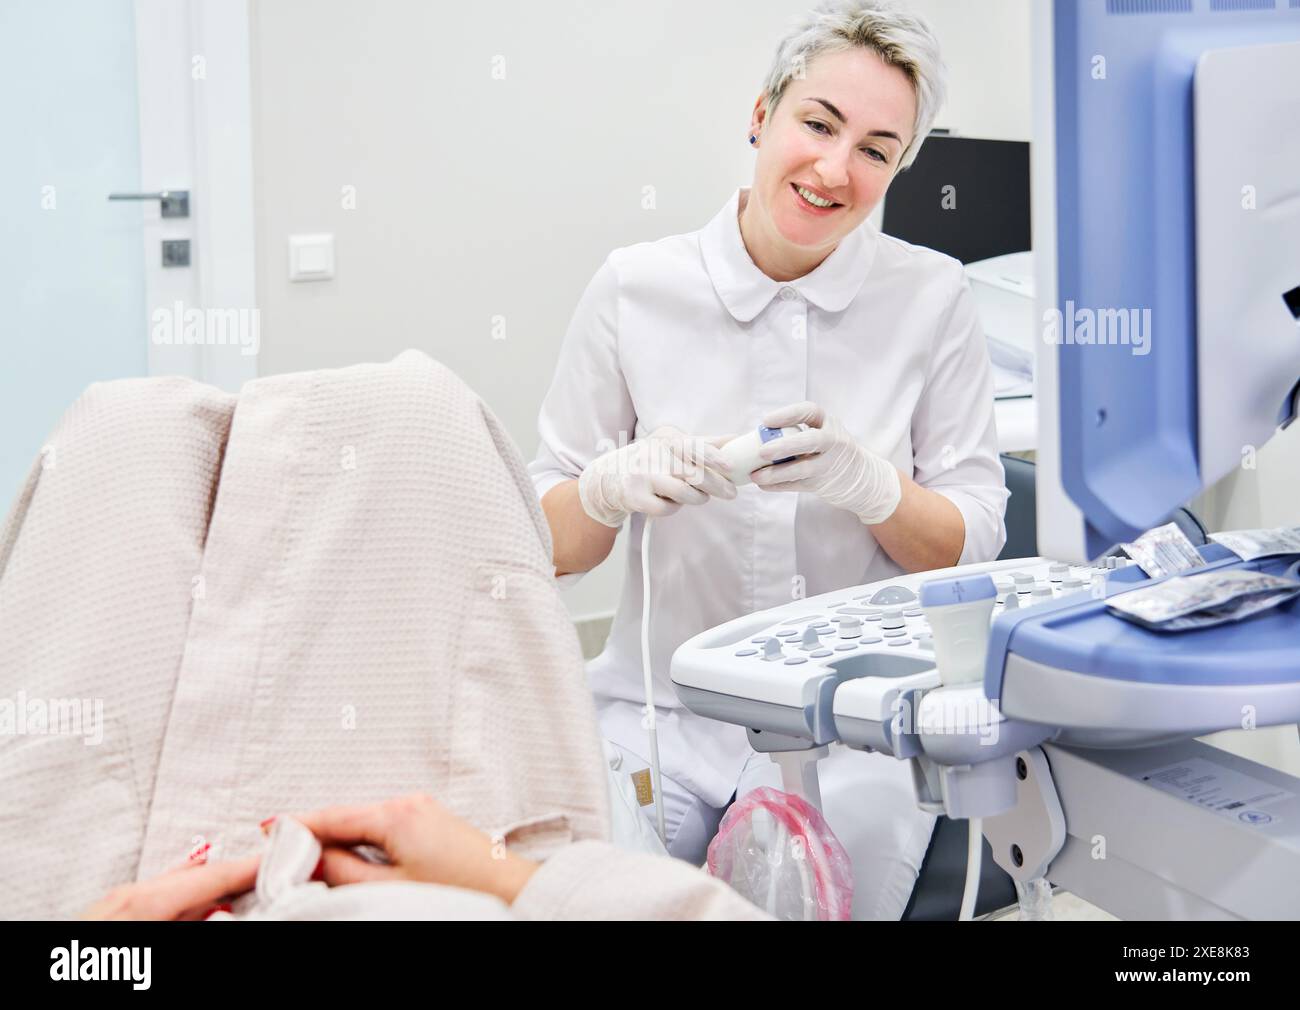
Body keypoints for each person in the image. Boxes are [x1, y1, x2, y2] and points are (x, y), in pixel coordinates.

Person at [528, 0, 1008, 915]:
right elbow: (552, 546)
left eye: (875, 148)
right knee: (590, 897)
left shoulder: (932, 297)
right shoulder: (636, 288)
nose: (835, 168)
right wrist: (604, 488)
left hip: (853, 729)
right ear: (762, 115)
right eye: (818, 124)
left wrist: (871, 487)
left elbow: (967, 548)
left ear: (900, 167)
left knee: (800, 895)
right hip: (660, 715)